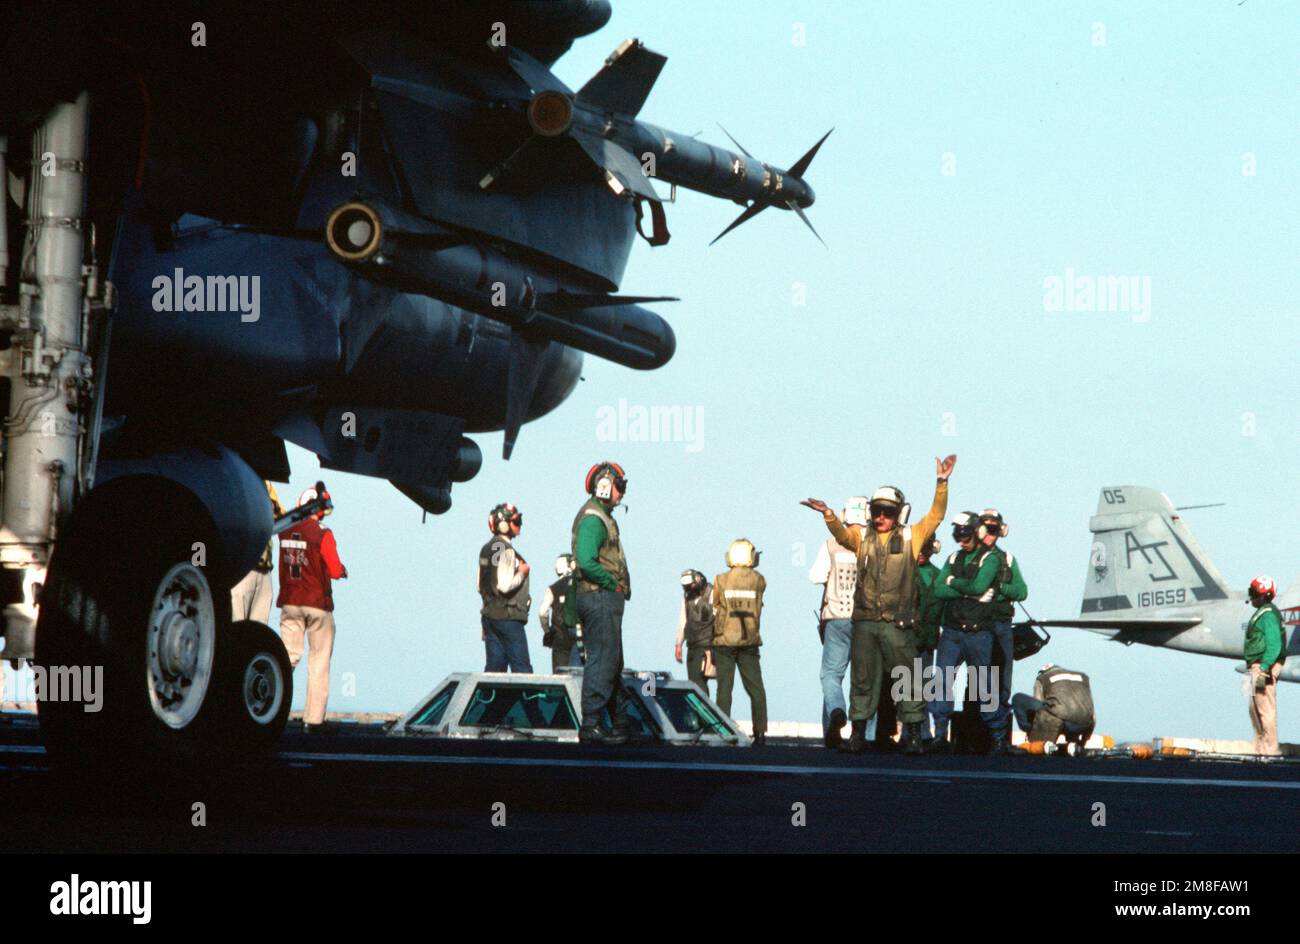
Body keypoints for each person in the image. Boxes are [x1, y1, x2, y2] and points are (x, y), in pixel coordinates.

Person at [800, 454, 956, 755]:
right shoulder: (863, 538)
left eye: (886, 511)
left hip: (899, 624)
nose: (880, 516)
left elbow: (936, 515)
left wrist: (942, 483)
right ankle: (857, 735)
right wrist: (829, 515)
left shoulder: (912, 537)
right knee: (863, 679)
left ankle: (912, 735)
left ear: (897, 513)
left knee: (908, 679)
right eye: (876, 511)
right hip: (866, 622)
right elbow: (844, 536)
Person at [931, 510, 1006, 753]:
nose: (961, 539)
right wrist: (966, 590)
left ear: (976, 532)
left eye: (965, 534)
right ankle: (940, 735)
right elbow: (939, 589)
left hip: (979, 633)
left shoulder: (991, 559)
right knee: (942, 681)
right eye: (957, 535)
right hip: (952, 632)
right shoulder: (953, 558)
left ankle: (997, 736)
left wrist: (953, 583)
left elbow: (979, 585)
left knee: (984, 685)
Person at [277, 486, 347, 733]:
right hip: (317, 604)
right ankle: (314, 721)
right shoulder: (322, 534)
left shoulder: (284, 530)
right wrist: (342, 571)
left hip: (289, 602)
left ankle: (272, 709)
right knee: (318, 661)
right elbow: (336, 570)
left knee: (286, 658)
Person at [572, 461, 632, 745]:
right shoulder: (594, 519)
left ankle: (619, 724)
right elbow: (585, 560)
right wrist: (612, 584)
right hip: (599, 598)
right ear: (606, 487)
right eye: (620, 487)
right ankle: (592, 725)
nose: (622, 494)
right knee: (602, 662)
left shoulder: (602, 517)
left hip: (604, 599)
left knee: (612, 662)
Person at [809, 497, 867, 749]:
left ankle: (834, 716)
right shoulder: (875, 544)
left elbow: (815, 576)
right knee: (864, 679)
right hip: (865, 620)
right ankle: (864, 734)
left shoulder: (831, 544)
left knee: (831, 675)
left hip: (835, 617)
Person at [977, 508, 1027, 750]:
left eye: (994, 529)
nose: (989, 535)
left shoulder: (1007, 559)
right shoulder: (966, 558)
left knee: (1002, 682)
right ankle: (980, 735)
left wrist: (999, 588)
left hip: (1001, 626)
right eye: (985, 528)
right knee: (980, 682)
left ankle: (998, 737)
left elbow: (1021, 591)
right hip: (976, 627)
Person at [712, 539, 769, 746]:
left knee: (724, 688)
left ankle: (722, 730)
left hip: (725, 640)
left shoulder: (720, 579)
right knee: (756, 688)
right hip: (750, 640)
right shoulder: (759, 580)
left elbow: (716, 606)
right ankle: (760, 731)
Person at [477, 502, 533, 673]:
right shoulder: (507, 550)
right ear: (504, 524)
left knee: (494, 672)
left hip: (490, 617)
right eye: (516, 522)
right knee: (523, 671)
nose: (519, 525)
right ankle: (529, 700)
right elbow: (504, 586)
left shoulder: (487, 548)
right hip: (508, 618)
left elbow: (480, 586)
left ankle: (492, 700)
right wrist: (522, 572)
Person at [1243, 575, 1287, 756]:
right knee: (1255, 708)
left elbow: (1274, 644)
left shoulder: (1268, 614)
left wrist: (1264, 667)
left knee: (1264, 708)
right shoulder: (1263, 612)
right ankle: (1262, 748)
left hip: (1263, 666)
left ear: (1266, 595)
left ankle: (1269, 750)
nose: (1252, 596)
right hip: (1258, 665)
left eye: (1255, 593)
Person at [231, 480, 284, 623]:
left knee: (259, 628)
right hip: (242, 568)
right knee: (237, 623)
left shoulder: (265, 483)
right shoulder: (232, 482)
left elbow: (280, 513)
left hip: (263, 570)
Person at [1011, 663, 1095, 748]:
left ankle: (1030, 729)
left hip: (1059, 721)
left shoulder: (1042, 678)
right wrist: (1084, 741)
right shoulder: (1082, 676)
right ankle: (1072, 739)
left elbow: (1038, 702)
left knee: (1018, 698)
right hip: (1083, 724)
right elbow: (1092, 713)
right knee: (1069, 710)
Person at [916, 535, 944, 743]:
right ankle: (910, 732)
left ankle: (923, 732)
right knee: (904, 685)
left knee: (924, 686)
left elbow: (943, 608)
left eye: (925, 550)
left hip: (927, 640)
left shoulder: (938, 575)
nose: (921, 554)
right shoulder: (902, 573)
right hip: (904, 639)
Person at [675, 569, 715, 695]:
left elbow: (720, 618)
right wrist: (679, 644)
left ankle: (705, 711)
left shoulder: (712, 593)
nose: (688, 588)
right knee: (692, 682)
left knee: (699, 681)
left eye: (690, 585)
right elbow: (683, 621)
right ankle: (700, 710)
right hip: (692, 645)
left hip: (706, 646)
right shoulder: (687, 599)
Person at [538, 554, 580, 672]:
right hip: (579, 632)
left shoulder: (553, 588)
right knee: (579, 674)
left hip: (559, 636)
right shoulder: (580, 586)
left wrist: (547, 630)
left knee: (560, 675)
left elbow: (542, 612)